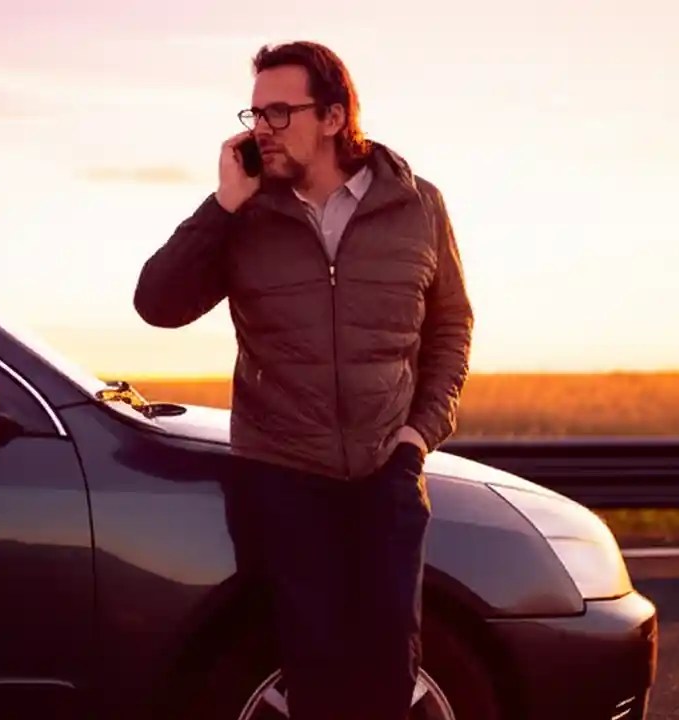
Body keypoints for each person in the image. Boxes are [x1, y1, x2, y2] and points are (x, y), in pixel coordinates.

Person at [134, 41, 473, 719]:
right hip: (284, 476)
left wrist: (417, 435)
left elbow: (450, 327)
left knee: (388, 673)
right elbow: (158, 304)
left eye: (279, 112)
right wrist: (223, 204)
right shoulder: (246, 215)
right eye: (255, 112)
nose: (260, 128)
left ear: (333, 115)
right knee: (312, 677)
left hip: (388, 471)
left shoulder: (417, 206)